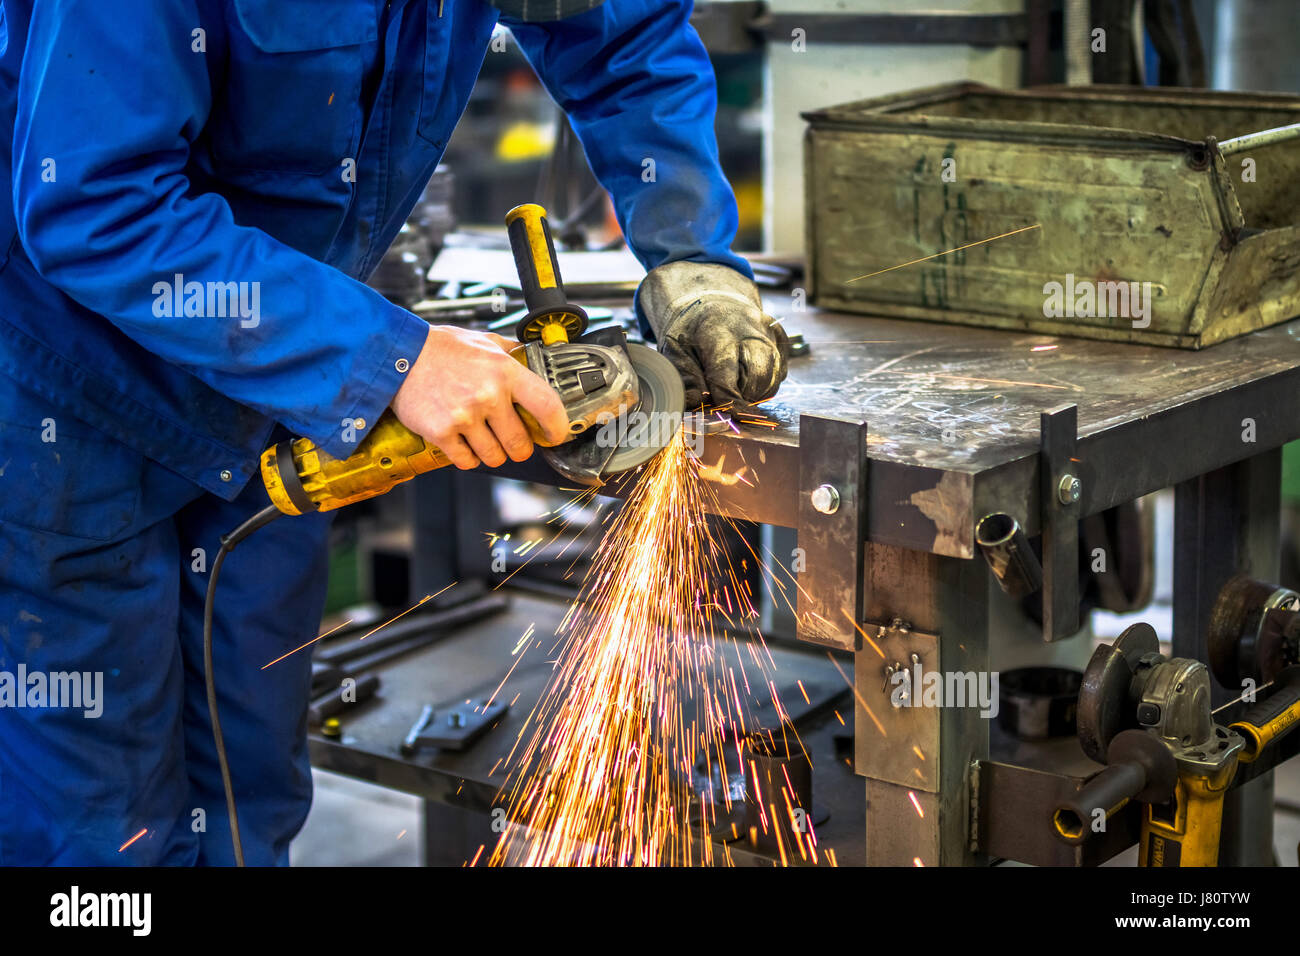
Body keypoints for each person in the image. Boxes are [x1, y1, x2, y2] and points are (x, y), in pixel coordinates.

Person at [0, 0, 788, 864]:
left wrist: (691, 260)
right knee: (102, 835)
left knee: (247, 794)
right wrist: (394, 361)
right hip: (63, 410)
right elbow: (95, 205)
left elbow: (620, 37)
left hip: (279, 392)